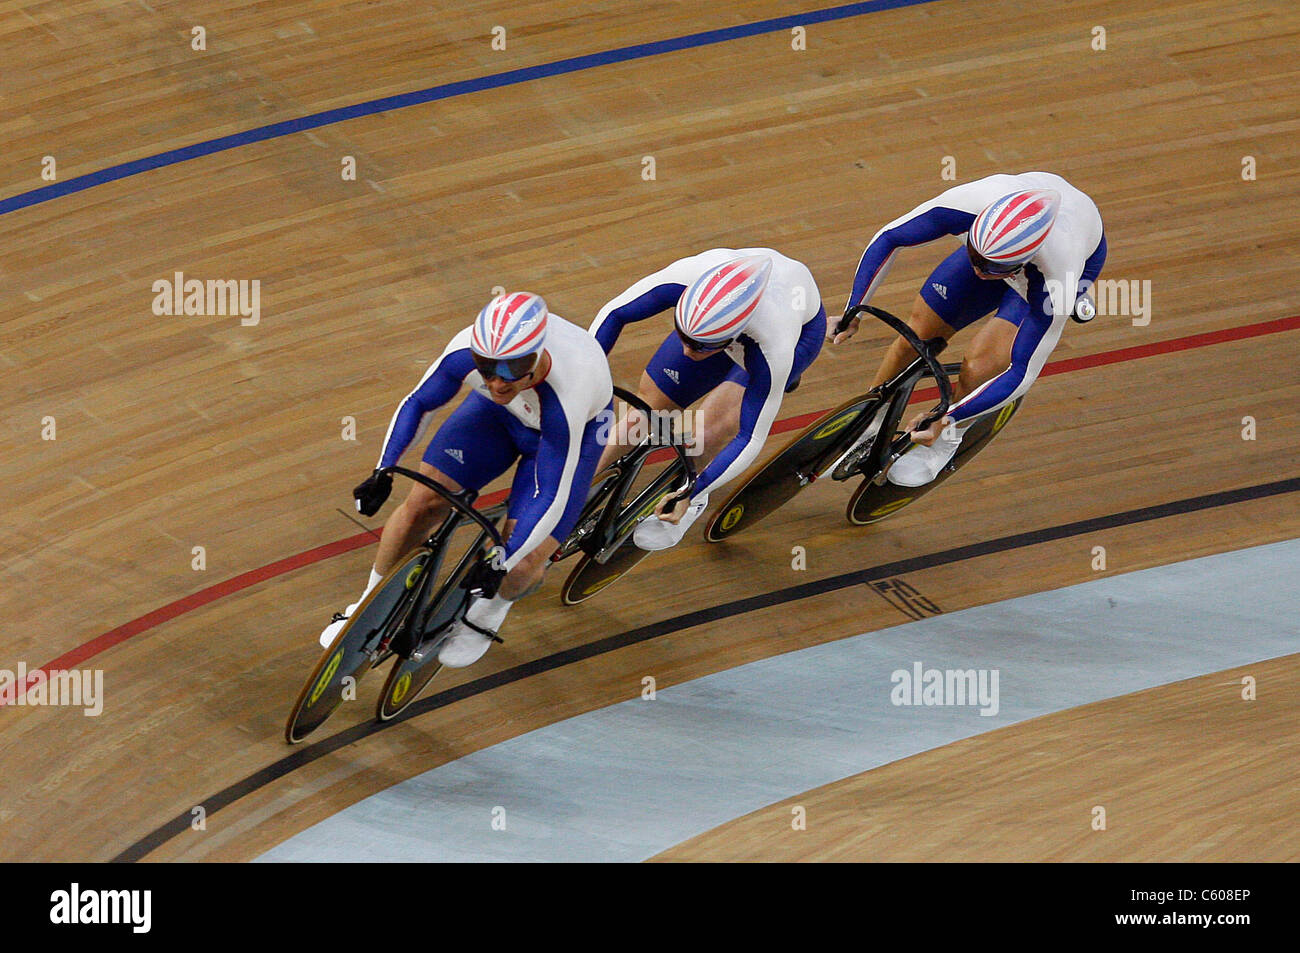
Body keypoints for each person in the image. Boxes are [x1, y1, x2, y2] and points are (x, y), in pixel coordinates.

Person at [321, 291, 613, 667]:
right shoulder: (469, 354)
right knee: (423, 502)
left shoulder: (569, 386)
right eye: (487, 369)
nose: (497, 382)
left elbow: (552, 490)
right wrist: (384, 469)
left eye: (510, 369)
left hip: (569, 436)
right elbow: (418, 403)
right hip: (499, 417)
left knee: (523, 565)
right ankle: (366, 605)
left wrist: (507, 559)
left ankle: (486, 617)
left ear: (537, 355)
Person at [833, 171, 1107, 485]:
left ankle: (946, 442)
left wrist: (947, 418)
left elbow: (1021, 373)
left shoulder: (1058, 277)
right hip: (1000, 249)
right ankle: (868, 421)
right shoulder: (970, 203)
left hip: (1047, 275)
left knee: (979, 366)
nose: (977, 271)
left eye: (988, 267)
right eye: (973, 257)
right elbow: (889, 238)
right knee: (914, 337)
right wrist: (853, 309)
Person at [589, 248, 825, 549]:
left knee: (706, 431)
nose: (688, 351)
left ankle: (692, 499)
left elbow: (750, 437)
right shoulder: (688, 275)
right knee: (648, 409)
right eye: (683, 338)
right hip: (716, 329)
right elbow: (615, 312)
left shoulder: (773, 344)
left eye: (698, 346)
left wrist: (693, 489)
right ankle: (588, 483)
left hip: (794, 336)